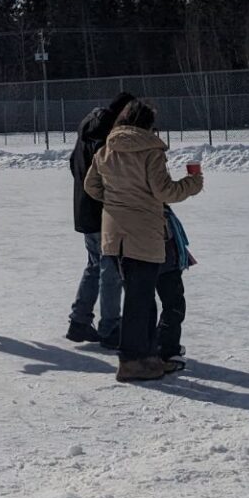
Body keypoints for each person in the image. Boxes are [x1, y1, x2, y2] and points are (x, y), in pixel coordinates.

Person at [83, 98, 203, 382]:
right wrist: (193, 183)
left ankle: (147, 357)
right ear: (147, 124)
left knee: (141, 298)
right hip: (143, 235)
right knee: (140, 302)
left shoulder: (105, 150)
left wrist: (116, 203)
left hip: (115, 237)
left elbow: (91, 186)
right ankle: (131, 362)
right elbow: (165, 192)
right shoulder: (150, 151)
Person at [67, 92, 135, 348]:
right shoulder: (107, 136)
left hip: (85, 209)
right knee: (111, 270)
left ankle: (79, 321)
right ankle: (110, 327)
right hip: (103, 212)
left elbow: (73, 164)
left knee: (95, 265)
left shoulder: (87, 130)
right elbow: (109, 176)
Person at [156, 207, 195, 370]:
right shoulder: (148, 188)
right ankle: (166, 349)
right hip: (160, 251)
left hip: (144, 248)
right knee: (173, 303)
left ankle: (159, 343)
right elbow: (167, 190)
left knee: (145, 302)